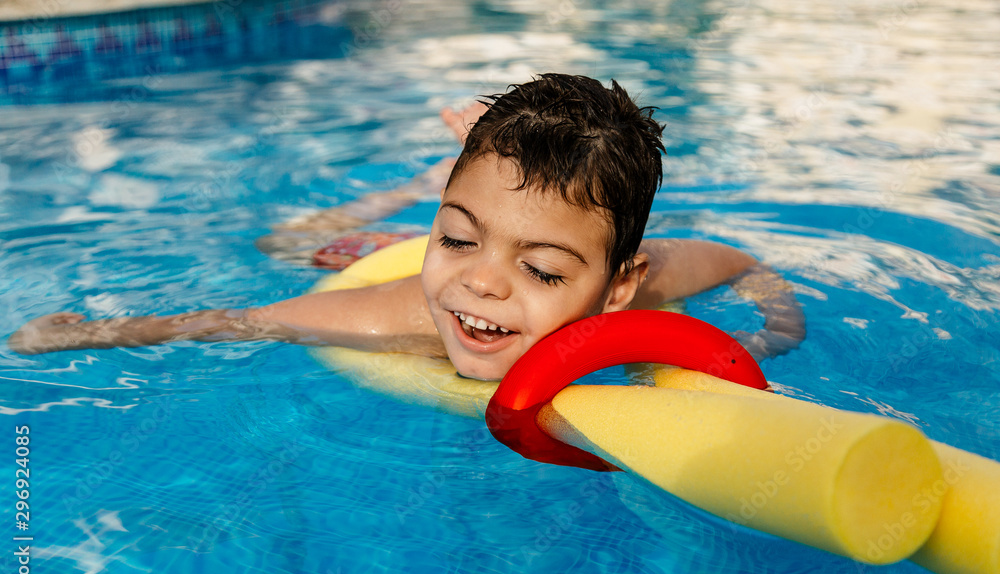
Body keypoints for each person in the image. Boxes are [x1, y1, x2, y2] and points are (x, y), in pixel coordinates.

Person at [8, 74, 805, 381]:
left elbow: (745, 262)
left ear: (618, 281)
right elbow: (234, 320)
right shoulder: (396, 319)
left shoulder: (653, 281)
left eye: (546, 270)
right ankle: (430, 182)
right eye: (457, 239)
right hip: (372, 258)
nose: (482, 281)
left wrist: (774, 331)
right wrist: (92, 333)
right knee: (283, 246)